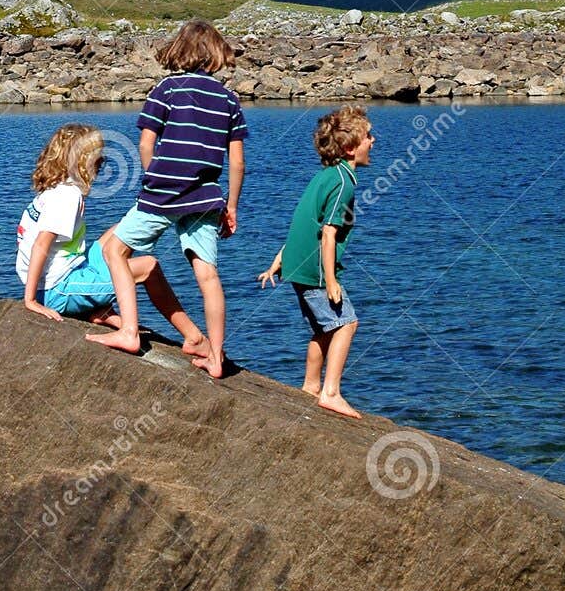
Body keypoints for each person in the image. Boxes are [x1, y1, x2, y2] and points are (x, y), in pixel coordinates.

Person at [96, 21, 247, 377]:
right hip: (206, 196)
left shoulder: (164, 88)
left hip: (162, 191)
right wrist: (231, 206)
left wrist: (152, 178)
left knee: (114, 250)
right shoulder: (229, 99)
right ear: (215, 54)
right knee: (208, 276)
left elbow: (147, 144)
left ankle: (129, 331)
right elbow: (237, 162)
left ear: (181, 49)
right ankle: (215, 357)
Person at [18, 122, 207, 353]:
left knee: (121, 231)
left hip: (61, 277)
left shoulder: (54, 190)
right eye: (98, 157)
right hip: (58, 290)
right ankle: (191, 337)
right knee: (149, 266)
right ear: (82, 161)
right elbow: (40, 245)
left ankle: (99, 311)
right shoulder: (67, 197)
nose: (102, 162)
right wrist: (31, 301)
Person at [258, 106, 374, 419]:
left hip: (298, 266)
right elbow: (327, 232)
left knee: (323, 329)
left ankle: (310, 385)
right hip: (316, 271)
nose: (373, 142)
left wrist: (278, 263)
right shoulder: (343, 182)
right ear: (350, 147)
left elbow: (301, 224)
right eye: (368, 137)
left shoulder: (324, 177)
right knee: (347, 323)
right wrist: (332, 280)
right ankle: (331, 392)